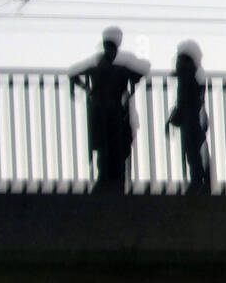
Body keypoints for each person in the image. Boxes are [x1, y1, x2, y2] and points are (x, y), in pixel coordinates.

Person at [68, 27, 150, 193]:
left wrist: (88, 89)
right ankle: (113, 183)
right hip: (114, 114)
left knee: (107, 150)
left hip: (102, 113)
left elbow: (73, 74)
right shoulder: (119, 67)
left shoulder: (99, 65)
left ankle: (106, 182)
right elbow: (141, 72)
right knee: (114, 150)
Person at [165, 40, 211, 193]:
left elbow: (186, 98)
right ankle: (201, 179)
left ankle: (198, 180)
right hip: (191, 116)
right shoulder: (194, 74)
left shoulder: (189, 75)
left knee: (192, 150)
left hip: (191, 117)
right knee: (193, 149)